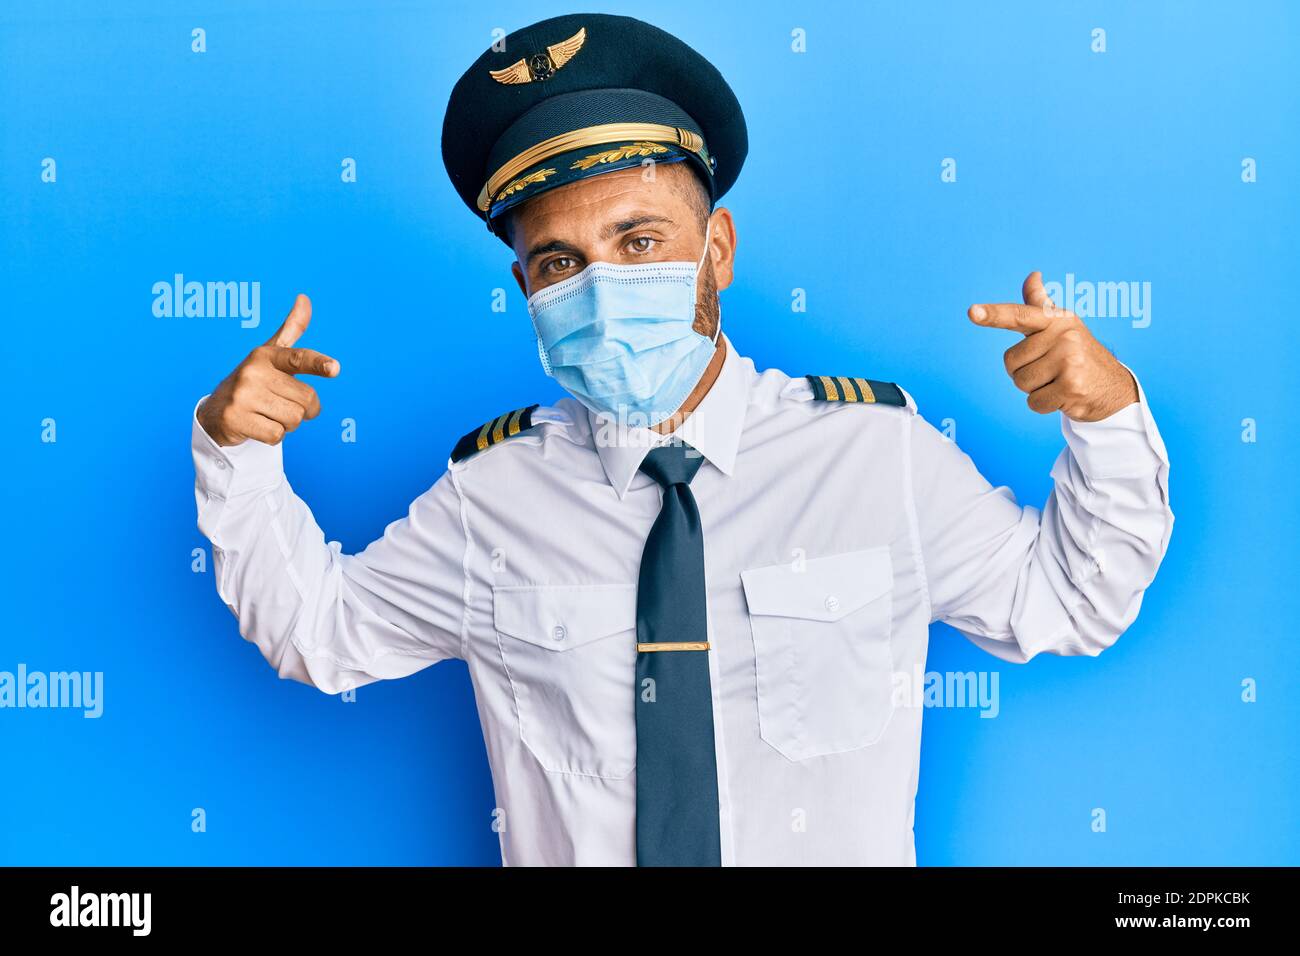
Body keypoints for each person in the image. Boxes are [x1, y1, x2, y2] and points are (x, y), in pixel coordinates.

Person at [191, 13, 1173, 866]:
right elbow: (317, 631)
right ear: (527, 292)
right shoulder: (487, 498)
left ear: (718, 249)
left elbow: (1073, 600)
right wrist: (237, 452)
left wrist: (1105, 416)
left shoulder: (879, 456)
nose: (602, 285)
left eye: (639, 240)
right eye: (559, 260)